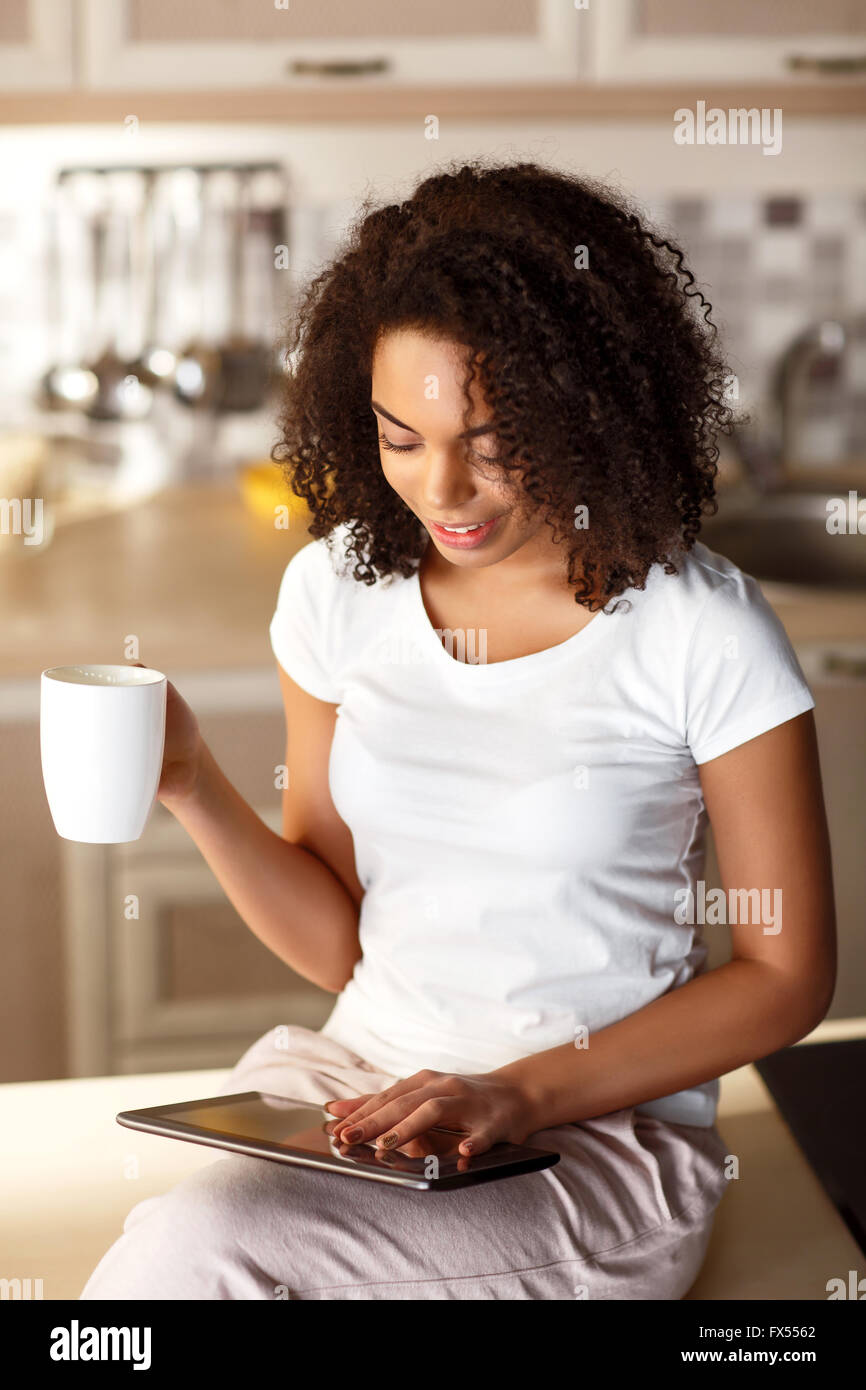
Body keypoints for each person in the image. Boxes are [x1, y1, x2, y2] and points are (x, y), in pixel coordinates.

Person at [81, 160, 835, 1301]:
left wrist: (518, 1093)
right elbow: (343, 942)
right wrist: (189, 783)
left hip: (588, 1138)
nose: (444, 490)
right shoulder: (336, 593)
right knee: (196, 1242)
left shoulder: (698, 630)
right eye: (399, 437)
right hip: (369, 1089)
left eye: (492, 440)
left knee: (203, 1252)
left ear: (587, 408)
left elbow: (785, 975)